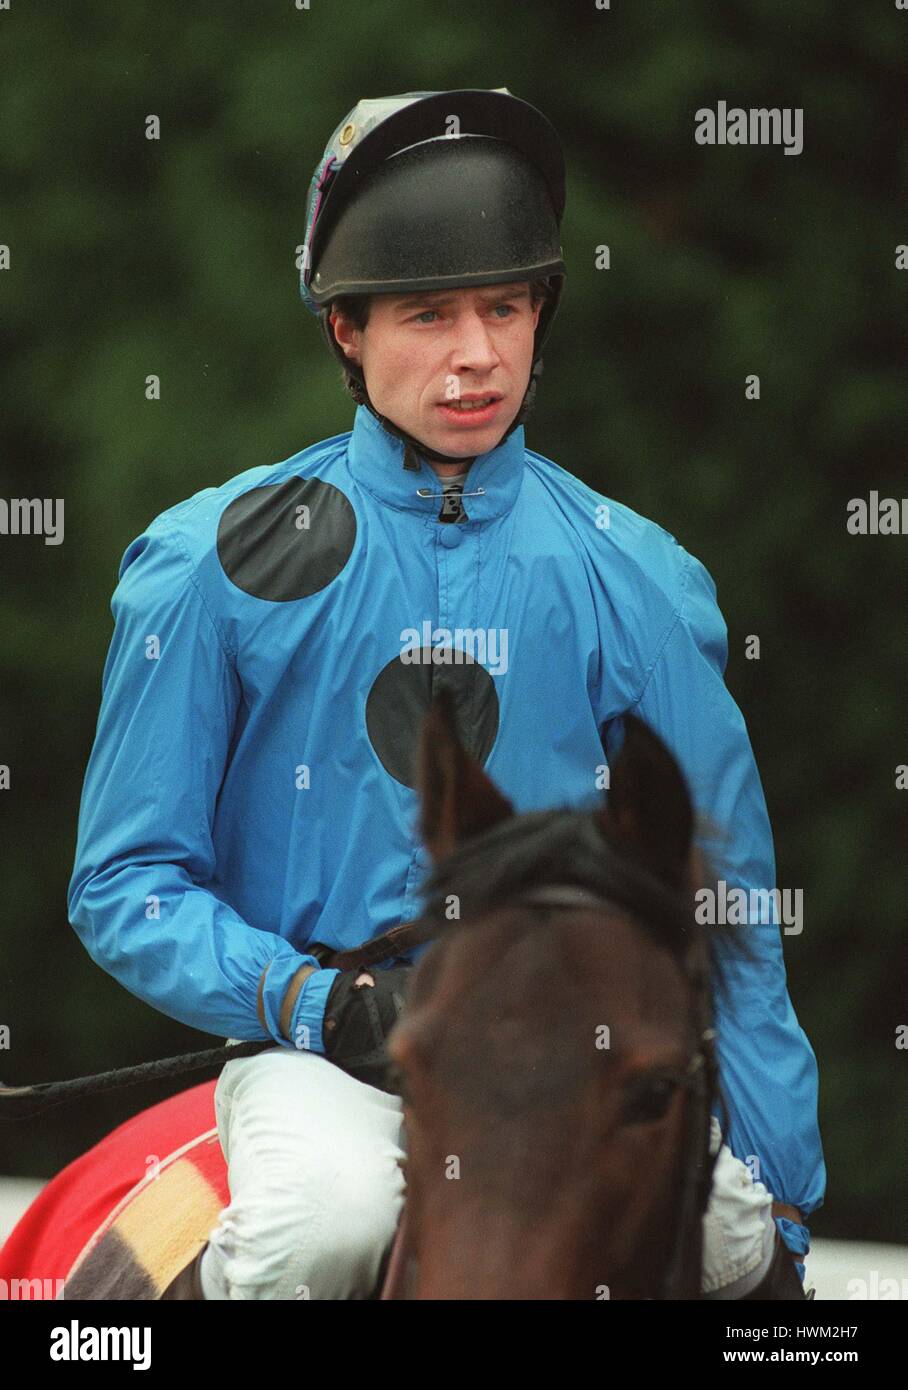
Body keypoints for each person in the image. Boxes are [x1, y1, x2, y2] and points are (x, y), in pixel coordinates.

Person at [67, 88, 825, 1300]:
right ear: (345, 332)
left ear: (540, 317)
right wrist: (312, 1001)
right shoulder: (209, 565)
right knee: (319, 1228)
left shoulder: (639, 580)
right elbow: (122, 882)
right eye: (427, 314)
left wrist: (784, 1192)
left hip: (573, 1063)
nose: (476, 354)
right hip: (326, 1064)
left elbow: (728, 906)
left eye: (504, 308)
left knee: (733, 1243)